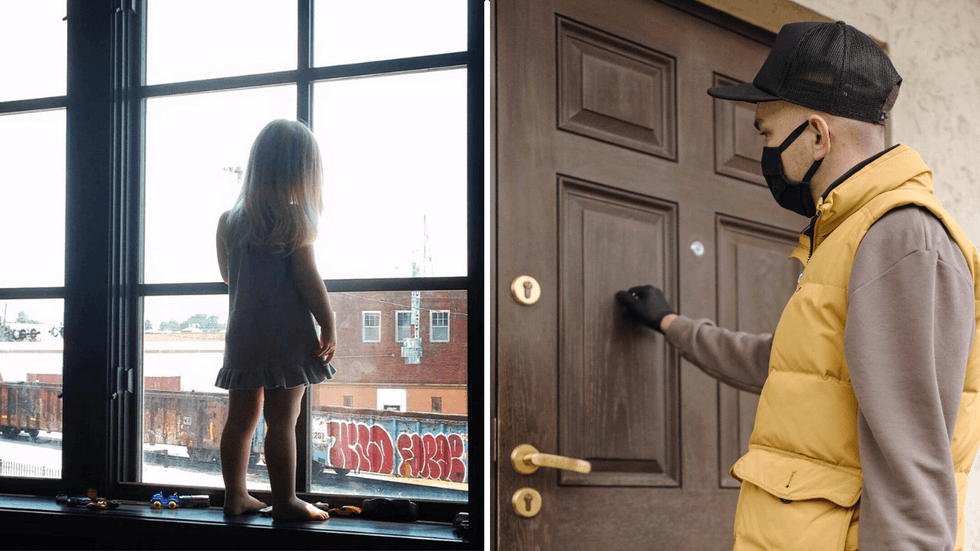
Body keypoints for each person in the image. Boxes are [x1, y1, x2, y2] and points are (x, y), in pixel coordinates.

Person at [617, 21, 980, 551]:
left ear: (816, 136)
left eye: (765, 133)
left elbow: (913, 468)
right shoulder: (850, 234)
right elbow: (788, 366)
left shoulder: (901, 236)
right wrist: (670, 324)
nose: (764, 151)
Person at [215, 119, 338, 521]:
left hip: (242, 336)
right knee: (282, 421)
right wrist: (328, 322)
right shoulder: (295, 219)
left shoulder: (229, 221)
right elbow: (308, 279)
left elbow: (227, 277)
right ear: (304, 172)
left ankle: (235, 496)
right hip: (286, 337)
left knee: (240, 418)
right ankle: (285, 500)